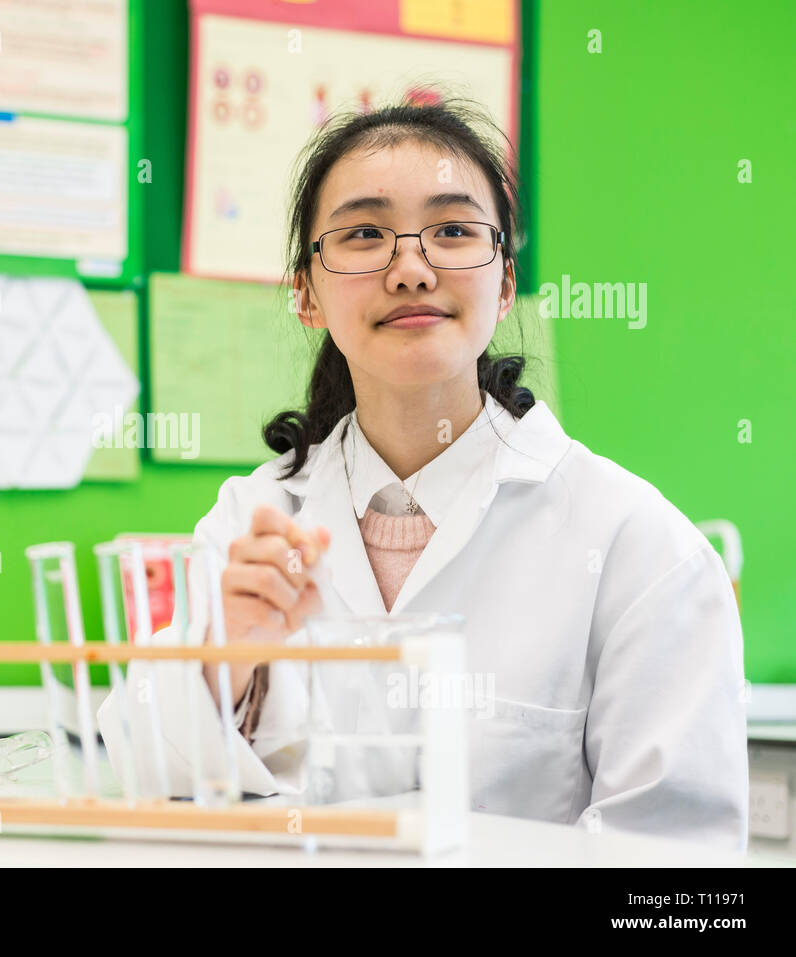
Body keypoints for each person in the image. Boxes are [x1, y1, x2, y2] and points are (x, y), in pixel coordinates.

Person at [96, 96, 748, 851]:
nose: (411, 269)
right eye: (365, 233)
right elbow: (142, 774)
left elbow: (679, 872)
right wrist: (221, 662)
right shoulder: (252, 516)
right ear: (306, 293)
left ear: (504, 284)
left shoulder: (640, 548)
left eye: (453, 231)